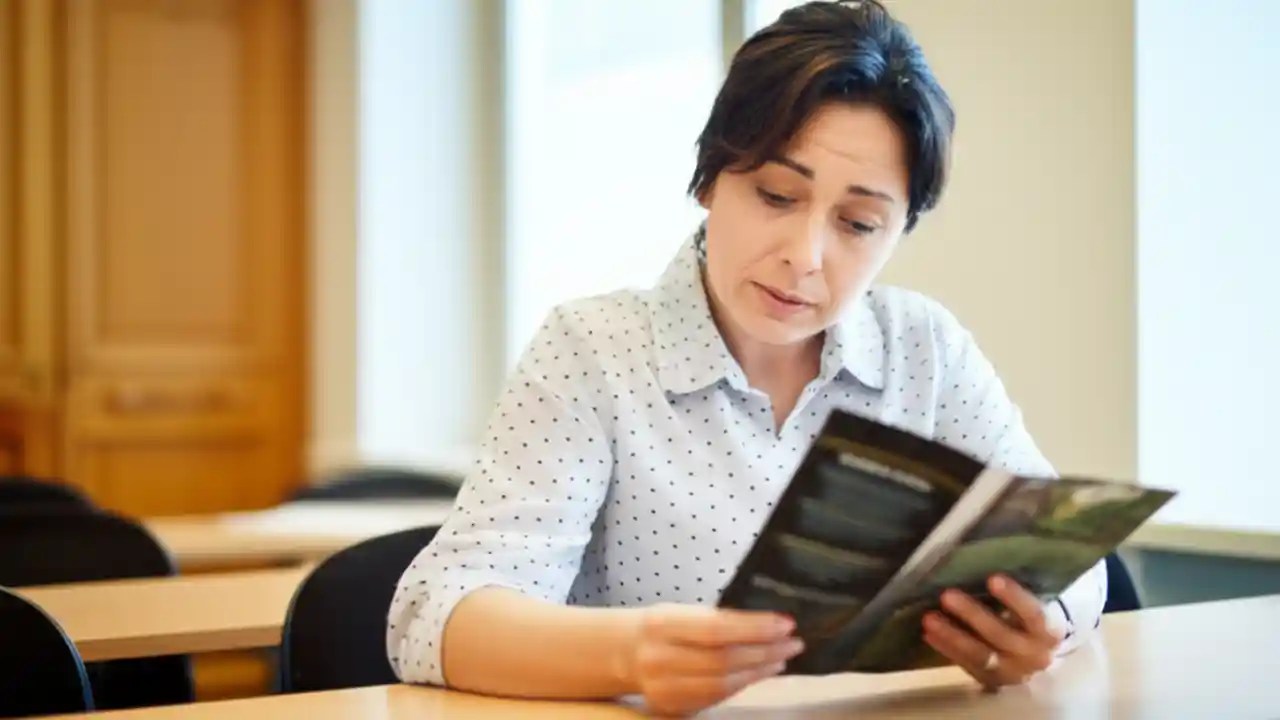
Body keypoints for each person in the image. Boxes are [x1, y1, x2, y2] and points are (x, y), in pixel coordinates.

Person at [387, 1, 1106, 715]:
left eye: (858, 224)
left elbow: (1068, 550)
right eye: (775, 195)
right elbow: (436, 615)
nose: (805, 257)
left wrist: (1048, 624)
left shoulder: (926, 349)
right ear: (709, 179)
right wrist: (628, 654)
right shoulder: (595, 351)